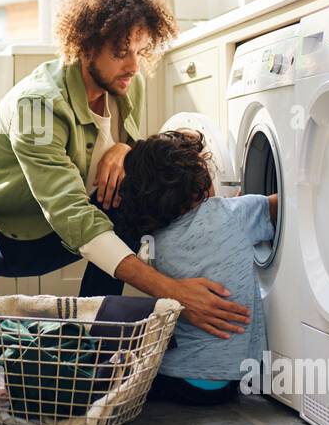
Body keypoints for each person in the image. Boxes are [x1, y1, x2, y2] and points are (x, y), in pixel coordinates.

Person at [0, 0, 252, 336]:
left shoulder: (127, 85)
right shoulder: (38, 106)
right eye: (121, 52)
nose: (133, 66)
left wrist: (126, 149)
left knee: (136, 199)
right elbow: (70, 212)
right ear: (85, 46)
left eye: (139, 52)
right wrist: (172, 292)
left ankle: (94, 338)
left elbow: (133, 174)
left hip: (56, 237)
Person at [115, 129, 278, 404]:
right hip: (226, 383)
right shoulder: (231, 214)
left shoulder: (156, 241)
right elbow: (280, 207)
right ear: (199, 184)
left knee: (124, 360)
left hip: (180, 377)